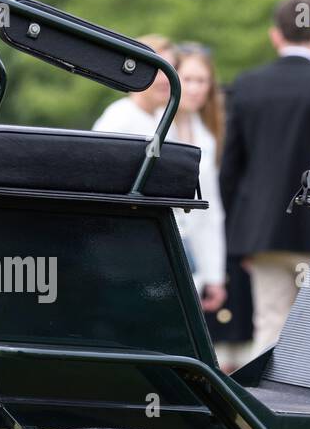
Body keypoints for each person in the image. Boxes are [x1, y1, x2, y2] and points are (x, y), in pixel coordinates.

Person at [220, 0, 310, 361]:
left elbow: (230, 169)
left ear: (275, 36)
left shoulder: (247, 86)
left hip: (263, 233)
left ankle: (261, 416)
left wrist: (236, 235)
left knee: (270, 326)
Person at [93, 35, 222, 301]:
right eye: (158, 68)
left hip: (162, 248)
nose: (166, 78)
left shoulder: (163, 122)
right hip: (130, 255)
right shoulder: (119, 120)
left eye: (170, 68)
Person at [170, 43, 227, 312]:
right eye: (188, 79)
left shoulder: (206, 137)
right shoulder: (152, 125)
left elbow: (211, 210)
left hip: (192, 259)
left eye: (201, 81)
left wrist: (215, 275)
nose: (194, 88)